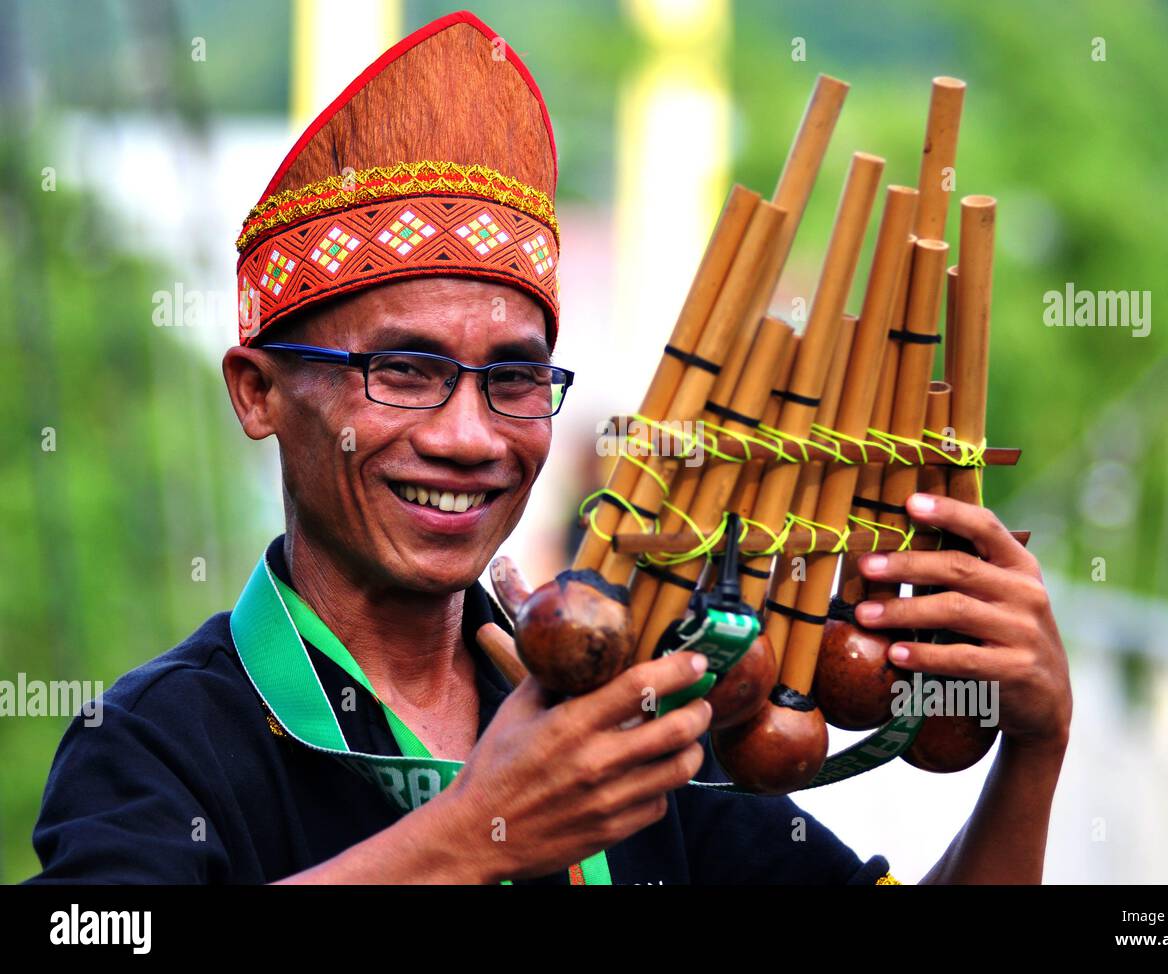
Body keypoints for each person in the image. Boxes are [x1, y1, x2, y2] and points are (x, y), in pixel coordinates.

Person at [28, 10, 1071, 885]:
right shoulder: (157, 745)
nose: (468, 436)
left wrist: (1032, 749)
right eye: (404, 370)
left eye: (514, 378)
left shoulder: (627, 712)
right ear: (258, 392)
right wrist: (472, 837)